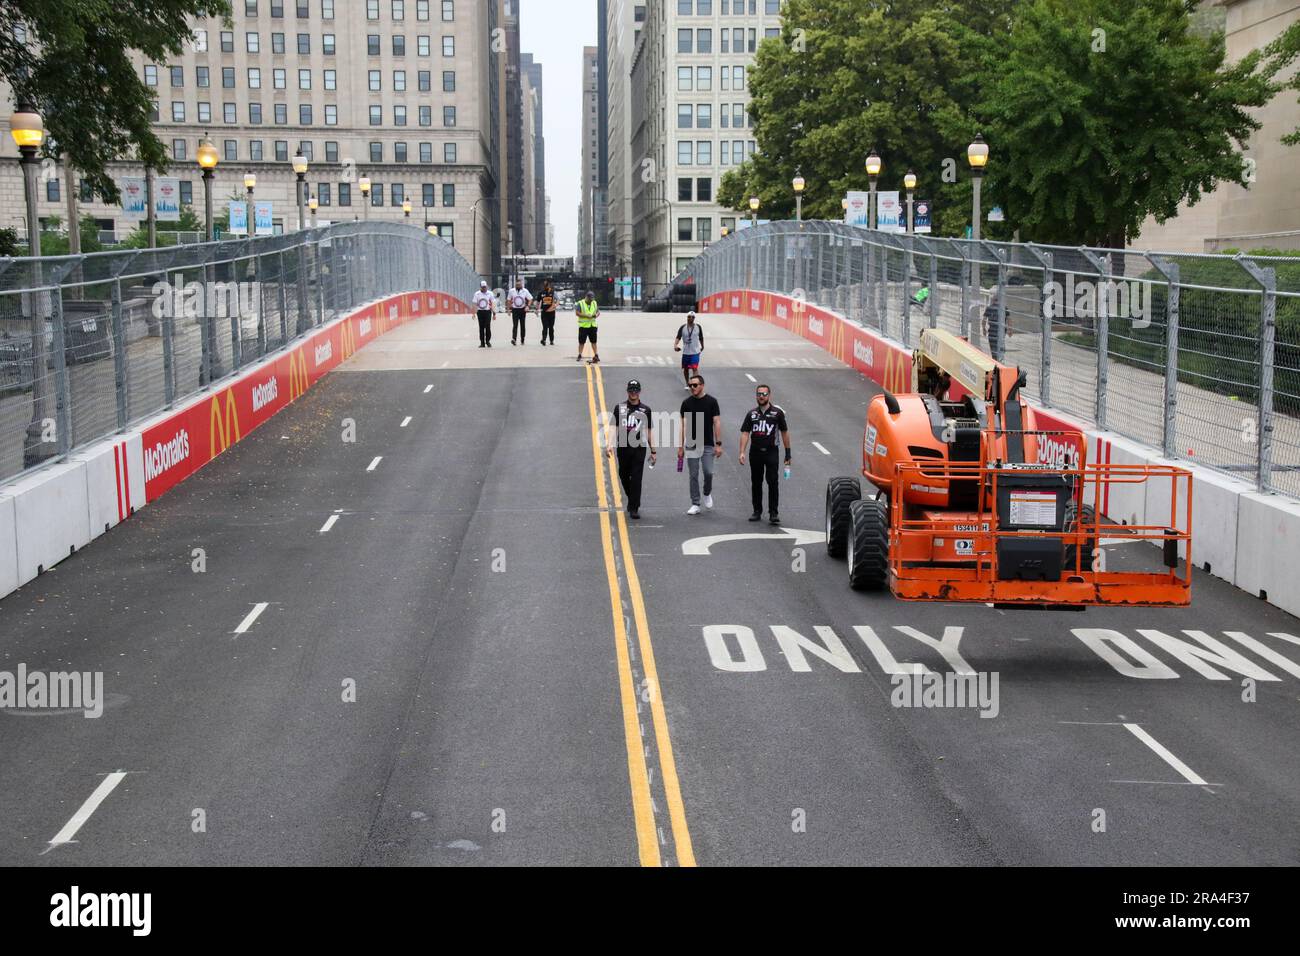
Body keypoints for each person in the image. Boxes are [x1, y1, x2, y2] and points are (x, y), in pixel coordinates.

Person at [737, 384, 791, 525]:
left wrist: (788, 453)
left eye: (764, 394)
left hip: (772, 452)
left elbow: (784, 432)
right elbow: (745, 433)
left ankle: (773, 513)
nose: (761, 396)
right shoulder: (751, 414)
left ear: (769, 396)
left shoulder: (777, 414)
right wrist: (742, 451)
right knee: (756, 482)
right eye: (759, 394)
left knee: (773, 482)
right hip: (755, 452)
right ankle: (757, 511)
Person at [605, 379, 657, 519]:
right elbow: (613, 427)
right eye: (631, 390)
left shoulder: (646, 410)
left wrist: (653, 451)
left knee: (636, 478)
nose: (633, 393)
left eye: (636, 390)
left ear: (639, 392)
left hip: (639, 448)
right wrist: (609, 444)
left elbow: (649, 431)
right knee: (623, 475)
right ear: (627, 391)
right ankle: (632, 498)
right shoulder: (620, 407)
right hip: (623, 447)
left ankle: (634, 507)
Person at [678, 373, 722, 516]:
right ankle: (695, 503)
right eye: (690, 385)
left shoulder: (712, 402)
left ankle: (707, 492)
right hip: (692, 444)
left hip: (708, 443)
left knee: (708, 472)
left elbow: (717, 422)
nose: (692, 387)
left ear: (702, 385)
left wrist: (719, 444)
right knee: (693, 474)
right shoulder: (686, 403)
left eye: (695, 385)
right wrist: (680, 446)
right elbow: (683, 426)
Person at [673, 311, 704, 388]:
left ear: (694, 318)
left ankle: (695, 384)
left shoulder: (698, 327)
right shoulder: (683, 327)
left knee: (694, 368)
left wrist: (702, 346)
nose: (691, 318)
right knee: (686, 369)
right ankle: (687, 383)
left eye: (693, 317)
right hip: (686, 352)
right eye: (689, 316)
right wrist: (675, 345)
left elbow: (701, 337)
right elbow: (678, 337)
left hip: (695, 352)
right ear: (687, 317)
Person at [576, 291, 601, 364]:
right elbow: (577, 313)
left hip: (592, 325)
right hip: (583, 326)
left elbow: (598, 312)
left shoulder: (594, 302)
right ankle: (580, 354)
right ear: (586, 297)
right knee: (581, 342)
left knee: (594, 342)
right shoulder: (580, 303)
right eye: (590, 299)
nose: (591, 301)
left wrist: (596, 315)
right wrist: (587, 316)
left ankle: (596, 355)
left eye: (592, 299)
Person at [507, 279, 533, 345]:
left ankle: (522, 339)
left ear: (522, 284)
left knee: (522, 325)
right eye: (517, 284)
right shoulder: (511, 291)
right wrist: (509, 309)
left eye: (519, 284)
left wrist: (528, 306)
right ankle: (514, 339)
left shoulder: (525, 291)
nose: (518, 285)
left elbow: (530, 299)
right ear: (515, 284)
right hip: (515, 309)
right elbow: (509, 300)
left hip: (522, 310)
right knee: (515, 325)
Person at [472, 281, 495, 348]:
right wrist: (473, 313)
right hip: (480, 312)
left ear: (487, 286)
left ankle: (487, 341)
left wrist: (494, 312)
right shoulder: (477, 294)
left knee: (487, 326)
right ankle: (482, 343)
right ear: (481, 287)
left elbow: (493, 302)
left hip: (487, 312)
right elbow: (474, 304)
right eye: (483, 287)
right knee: (481, 327)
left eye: (485, 287)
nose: (484, 288)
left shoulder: (490, 293)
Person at [537, 281, 558, 346]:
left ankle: (551, 340)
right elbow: (538, 302)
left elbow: (557, 300)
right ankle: (544, 340)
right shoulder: (541, 293)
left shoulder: (553, 292)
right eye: (544, 285)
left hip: (552, 312)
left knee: (551, 327)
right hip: (544, 312)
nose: (545, 286)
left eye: (547, 285)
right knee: (545, 327)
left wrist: (555, 305)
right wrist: (537, 309)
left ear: (549, 285)